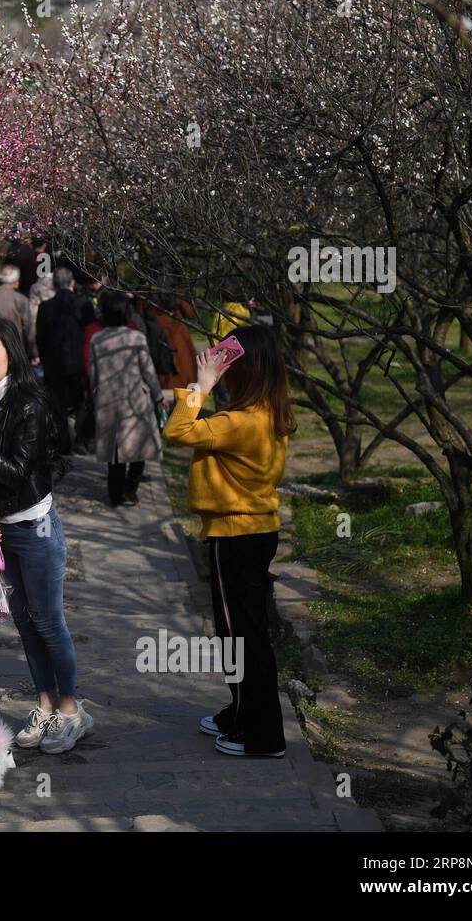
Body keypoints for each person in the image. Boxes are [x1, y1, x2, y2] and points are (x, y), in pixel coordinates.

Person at [0, 318, 93, 754]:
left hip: (36, 527)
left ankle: (72, 711)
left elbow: (14, 471)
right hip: (2, 532)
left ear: (10, 355)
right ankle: (45, 705)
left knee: (48, 621)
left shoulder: (31, 403)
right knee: (26, 624)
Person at [162, 325, 296, 758]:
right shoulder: (270, 413)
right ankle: (241, 712)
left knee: (241, 636)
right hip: (258, 531)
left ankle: (262, 734)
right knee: (243, 630)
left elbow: (177, 431)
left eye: (228, 364)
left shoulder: (237, 423)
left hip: (235, 535)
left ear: (244, 372)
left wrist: (201, 386)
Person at [88, 293, 162, 507]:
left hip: (107, 399)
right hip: (134, 398)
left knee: (115, 453)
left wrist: (94, 395)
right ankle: (131, 489)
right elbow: (148, 370)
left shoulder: (97, 339)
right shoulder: (136, 338)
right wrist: (157, 395)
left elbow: (93, 374)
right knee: (139, 448)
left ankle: (115, 493)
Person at [35, 267, 85, 425]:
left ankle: (62, 435)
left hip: (53, 363)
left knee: (57, 407)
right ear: (72, 282)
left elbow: (40, 337)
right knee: (78, 403)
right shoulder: (83, 304)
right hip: (78, 362)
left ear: (54, 285)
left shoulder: (45, 307)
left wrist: (44, 359)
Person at [0, 264, 38, 364]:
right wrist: (34, 352)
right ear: (15, 282)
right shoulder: (21, 300)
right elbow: (29, 328)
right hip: (15, 350)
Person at [155, 292, 199, 391]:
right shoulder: (177, 291)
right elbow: (191, 313)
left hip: (171, 330)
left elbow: (190, 313)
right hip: (173, 331)